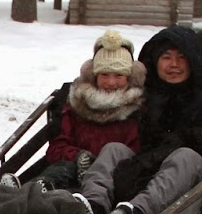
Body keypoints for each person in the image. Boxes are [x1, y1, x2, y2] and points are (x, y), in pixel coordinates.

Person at [74, 25, 202, 214]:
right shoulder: (145, 98)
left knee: (185, 156)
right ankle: (93, 210)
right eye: (166, 57)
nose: (174, 65)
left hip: (197, 188)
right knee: (114, 149)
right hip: (147, 173)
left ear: (193, 60)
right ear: (156, 61)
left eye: (181, 57)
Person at [14, 29, 147, 192]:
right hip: (69, 176)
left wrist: (101, 163)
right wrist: (78, 157)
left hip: (111, 182)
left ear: (129, 77)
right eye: (104, 74)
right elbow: (57, 147)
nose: (111, 82)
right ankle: (28, 189)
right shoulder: (78, 104)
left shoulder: (139, 110)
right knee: (61, 171)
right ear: (94, 75)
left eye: (119, 75)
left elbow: (137, 154)